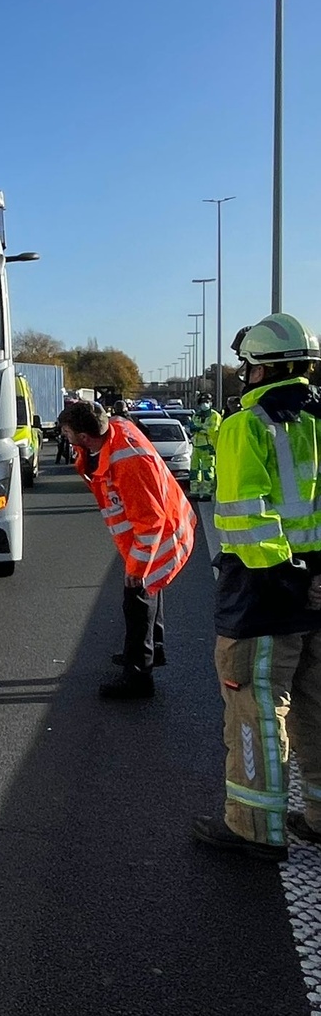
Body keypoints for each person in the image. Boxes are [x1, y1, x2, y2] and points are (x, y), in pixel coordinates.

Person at [191, 313, 321, 862]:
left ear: (262, 368)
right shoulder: (317, 419)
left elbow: (247, 517)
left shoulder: (248, 424)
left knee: (255, 706)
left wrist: (283, 574)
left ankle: (253, 827)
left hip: (266, 593)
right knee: (317, 705)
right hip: (316, 586)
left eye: (246, 366)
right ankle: (316, 813)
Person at [59, 399, 196, 699]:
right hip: (163, 528)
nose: (65, 438)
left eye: (68, 432)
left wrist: (136, 568)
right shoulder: (115, 431)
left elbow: (150, 521)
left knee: (136, 600)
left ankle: (138, 676)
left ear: (84, 436)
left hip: (158, 534)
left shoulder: (127, 462)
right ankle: (150, 652)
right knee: (149, 593)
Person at [188, 391, 222, 501]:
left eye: (207, 402)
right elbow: (191, 428)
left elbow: (212, 430)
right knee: (194, 470)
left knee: (208, 471)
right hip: (196, 446)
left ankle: (207, 493)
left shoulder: (214, 415)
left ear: (211, 403)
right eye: (202, 402)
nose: (204, 404)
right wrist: (194, 429)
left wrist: (199, 429)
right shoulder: (196, 415)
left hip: (208, 446)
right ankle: (195, 492)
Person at [55, 396, 76, 464]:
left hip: (70, 431)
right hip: (65, 432)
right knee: (61, 446)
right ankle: (59, 460)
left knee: (65, 445)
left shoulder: (73, 413)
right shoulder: (64, 413)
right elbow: (59, 422)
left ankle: (62, 460)